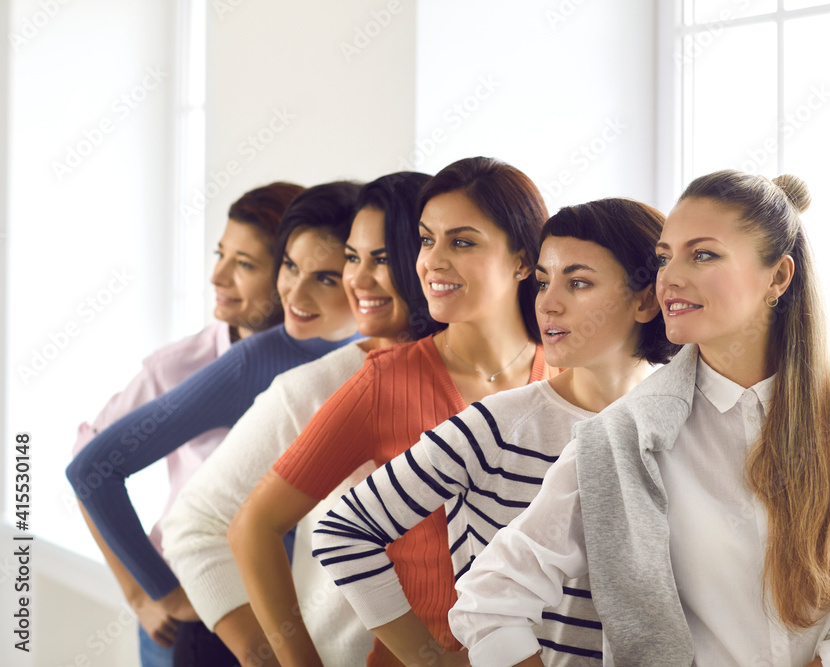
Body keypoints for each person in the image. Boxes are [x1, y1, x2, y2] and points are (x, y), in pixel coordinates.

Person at [449, 170, 830, 667]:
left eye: (703, 254)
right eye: (664, 258)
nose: (669, 278)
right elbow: (490, 601)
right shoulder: (620, 441)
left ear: (778, 277)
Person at [311, 198, 668, 666]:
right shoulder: (499, 424)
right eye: (543, 282)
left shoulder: (680, 421)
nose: (549, 303)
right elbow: (343, 531)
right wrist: (430, 660)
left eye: (577, 283)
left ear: (645, 299)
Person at [228, 156, 552, 667]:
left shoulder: (569, 375)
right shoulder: (386, 381)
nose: (432, 262)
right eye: (427, 240)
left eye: (461, 242)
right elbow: (254, 527)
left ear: (522, 259)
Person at [65, 181, 363, 664]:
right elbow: (90, 468)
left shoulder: (365, 352)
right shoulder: (245, 363)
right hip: (214, 604)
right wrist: (153, 593)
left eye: (245, 264)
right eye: (290, 266)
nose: (217, 277)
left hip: (301, 608)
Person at [161, 172, 444, 666]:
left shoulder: (496, 382)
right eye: (352, 259)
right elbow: (195, 523)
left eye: (380, 258)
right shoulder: (312, 388)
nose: (357, 278)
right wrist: (269, 658)